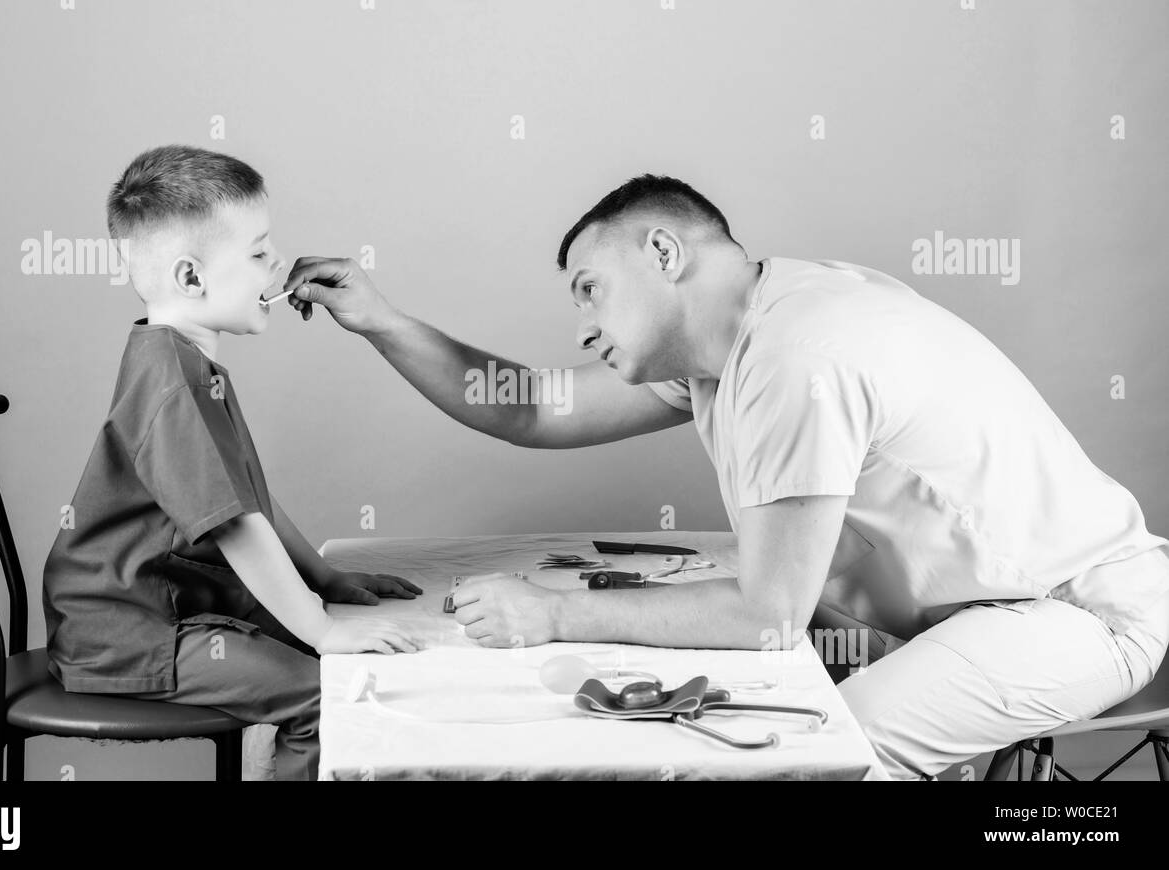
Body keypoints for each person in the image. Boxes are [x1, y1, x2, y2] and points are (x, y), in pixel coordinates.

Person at [281, 174, 1169, 779]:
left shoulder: (798, 350)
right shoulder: (729, 338)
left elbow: (768, 614)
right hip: (967, 606)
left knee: (821, 759)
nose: (581, 324)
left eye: (589, 288)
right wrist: (382, 321)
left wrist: (550, 611)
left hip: (1074, 613)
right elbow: (529, 408)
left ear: (663, 253)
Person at [42, 145, 423, 781]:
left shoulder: (188, 363)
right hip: (127, 632)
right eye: (257, 252)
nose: (277, 263)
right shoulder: (173, 382)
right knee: (325, 694)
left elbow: (253, 503)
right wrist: (323, 631)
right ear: (192, 279)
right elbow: (234, 526)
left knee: (351, 653)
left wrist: (324, 582)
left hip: (171, 606)